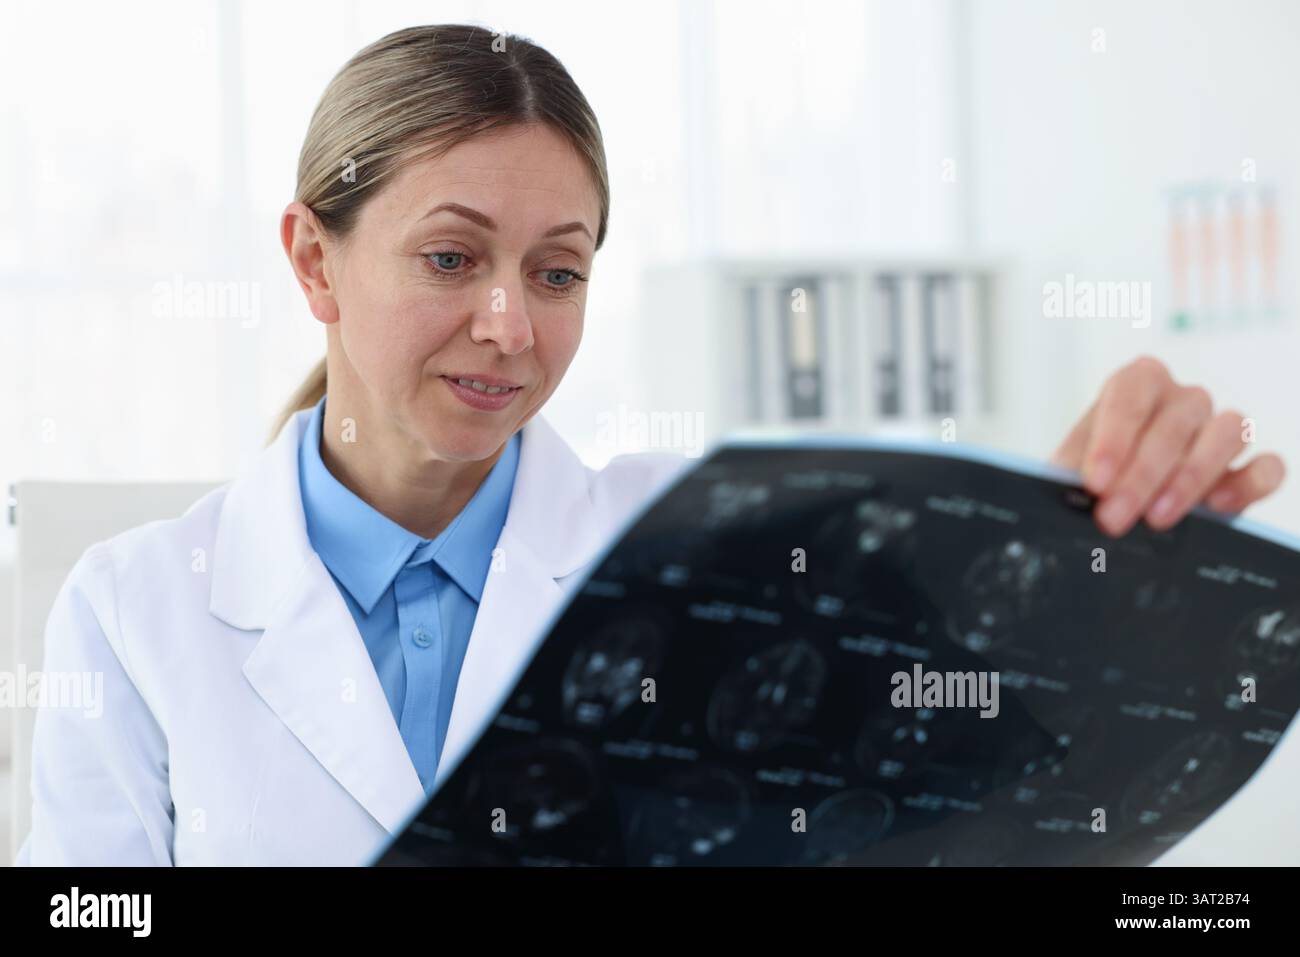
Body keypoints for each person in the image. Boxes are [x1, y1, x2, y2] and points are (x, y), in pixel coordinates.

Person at [16, 24, 1285, 866]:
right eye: (451, 258)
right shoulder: (132, 616)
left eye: (556, 272)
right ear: (313, 259)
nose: (507, 326)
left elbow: (965, 746)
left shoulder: (711, 545)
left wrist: (1092, 538)